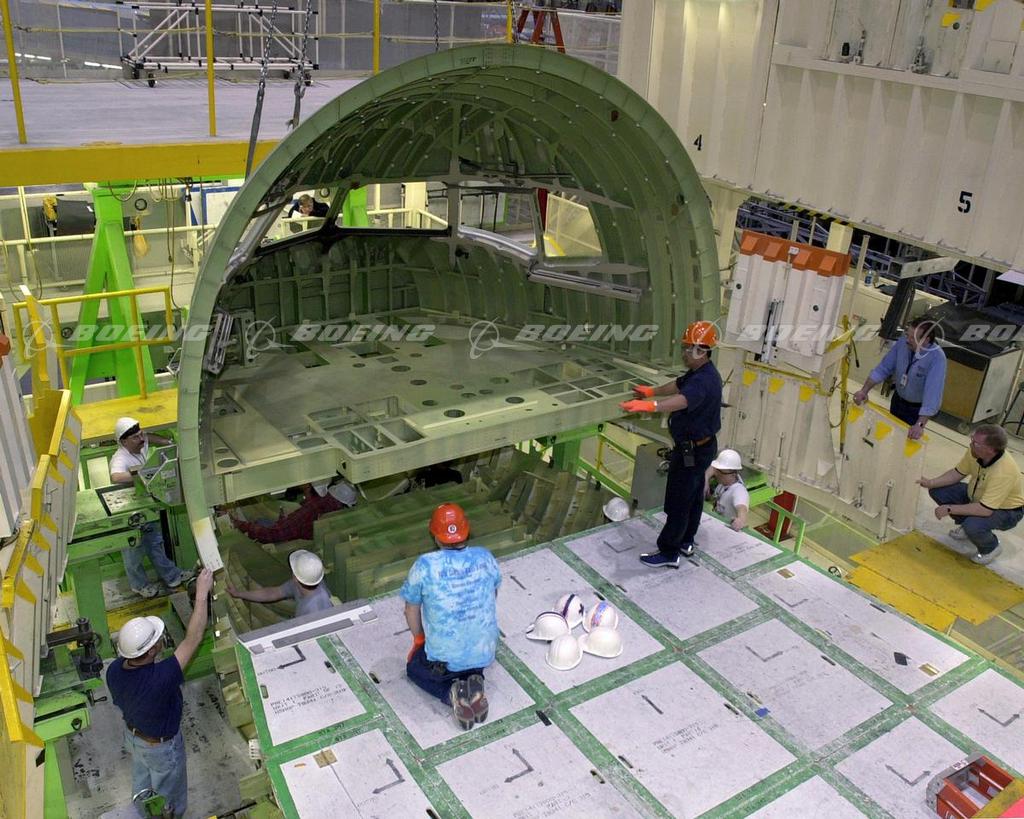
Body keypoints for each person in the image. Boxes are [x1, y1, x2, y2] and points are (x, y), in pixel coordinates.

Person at [107, 568, 214, 819]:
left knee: (142, 788)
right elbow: (193, 638)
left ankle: (142, 812)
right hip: (161, 749)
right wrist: (201, 594)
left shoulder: (114, 670)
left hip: (135, 739)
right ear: (152, 651)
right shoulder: (160, 679)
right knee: (169, 802)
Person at [620, 320, 723, 567]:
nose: (684, 353)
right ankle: (686, 540)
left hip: (693, 450)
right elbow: (678, 384)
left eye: (688, 348)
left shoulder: (704, 381)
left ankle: (669, 552)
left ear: (701, 350)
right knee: (693, 497)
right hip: (699, 447)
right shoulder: (700, 372)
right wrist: (651, 392)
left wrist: (650, 406)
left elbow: (682, 399)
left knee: (679, 501)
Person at [400, 503, 501, 730]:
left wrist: (419, 639)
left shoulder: (425, 566)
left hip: (445, 660)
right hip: (484, 651)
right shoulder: (486, 557)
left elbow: (410, 610)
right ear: (467, 529)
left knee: (414, 669)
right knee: (470, 655)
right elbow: (492, 597)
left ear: (435, 535)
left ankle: (451, 691)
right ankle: (475, 680)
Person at [110, 417, 194, 598]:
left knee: (155, 545)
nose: (141, 439)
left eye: (141, 434)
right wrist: (145, 473)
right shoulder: (120, 458)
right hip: (129, 513)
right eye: (135, 437)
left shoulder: (140, 442)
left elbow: (150, 438)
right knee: (133, 554)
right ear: (123, 442)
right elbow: (115, 477)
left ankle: (172, 576)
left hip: (147, 509)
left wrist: (169, 442)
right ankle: (139, 585)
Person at [918, 424, 1024, 565]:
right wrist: (931, 482)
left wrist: (949, 508)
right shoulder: (975, 452)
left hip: (1005, 511)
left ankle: (991, 548)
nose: (971, 444)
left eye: (976, 443)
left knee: (973, 525)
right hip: (977, 496)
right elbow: (957, 473)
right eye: (972, 439)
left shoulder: (1004, 472)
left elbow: (985, 510)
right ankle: (967, 528)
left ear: (991, 449)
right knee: (938, 490)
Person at [853, 316, 946, 440]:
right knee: (888, 438)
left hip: (916, 411)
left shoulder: (937, 358)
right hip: (897, 401)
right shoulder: (902, 343)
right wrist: (864, 391)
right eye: (907, 335)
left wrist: (919, 425)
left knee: (905, 442)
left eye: (913, 338)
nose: (908, 340)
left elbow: (932, 395)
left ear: (926, 340)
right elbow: (883, 368)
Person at [232, 477, 357, 543]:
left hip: (285, 534)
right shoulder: (331, 512)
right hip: (290, 526)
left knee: (259, 520)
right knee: (261, 514)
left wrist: (241, 525)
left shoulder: (314, 509)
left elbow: (276, 534)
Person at [227, 549, 333, 618]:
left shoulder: (315, 610)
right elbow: (272, 593)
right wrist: (239, 594)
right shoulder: (308, 580)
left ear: (295, 577)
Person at [705, 449, 749, 531]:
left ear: (733, 474)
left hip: (727, 530)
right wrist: (706, 479)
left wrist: (741, 520)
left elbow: (742, 508)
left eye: (720, 472)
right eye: (717, 471)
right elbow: (713, 468)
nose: (716, 474)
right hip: (717, 523)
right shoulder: (725, 481)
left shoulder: (739, 491)